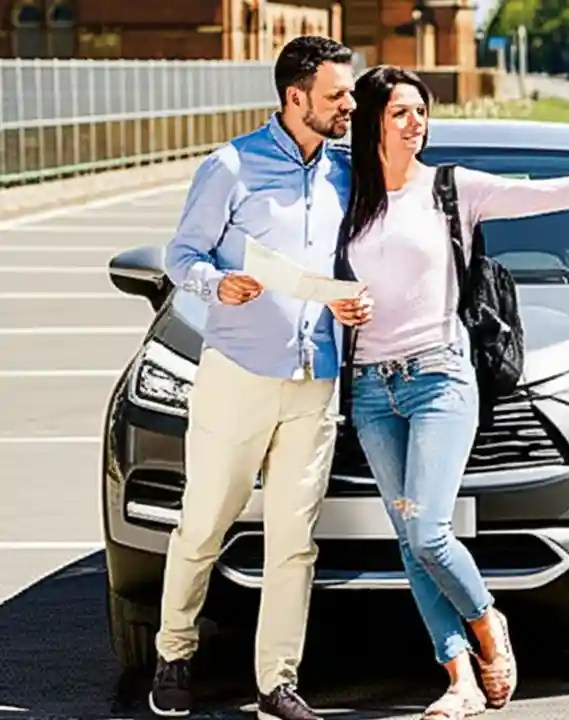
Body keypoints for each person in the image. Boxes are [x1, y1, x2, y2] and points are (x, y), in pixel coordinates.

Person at [331, 64, 569, 719]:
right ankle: (458, 676)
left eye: (421, 111)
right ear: (374, 119)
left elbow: (553, 193)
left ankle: (490, 625)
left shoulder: (452, 189)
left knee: (430, 531)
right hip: (373, 393)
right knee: (409, 540)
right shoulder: (347, 199)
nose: (416, 123)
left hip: (439, 380)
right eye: (401, 112)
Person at [152, 36, 369, 720]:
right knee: (203, 524)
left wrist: (353, 298)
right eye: (338, 95)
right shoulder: (230, 166)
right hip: (238, 374)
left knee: (294, 539)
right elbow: (181, 254)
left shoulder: (344, 173)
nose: (349, 106)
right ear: (295, 97)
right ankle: (174, 653)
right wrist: (219, 285)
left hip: (316, 379)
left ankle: (277, 680)